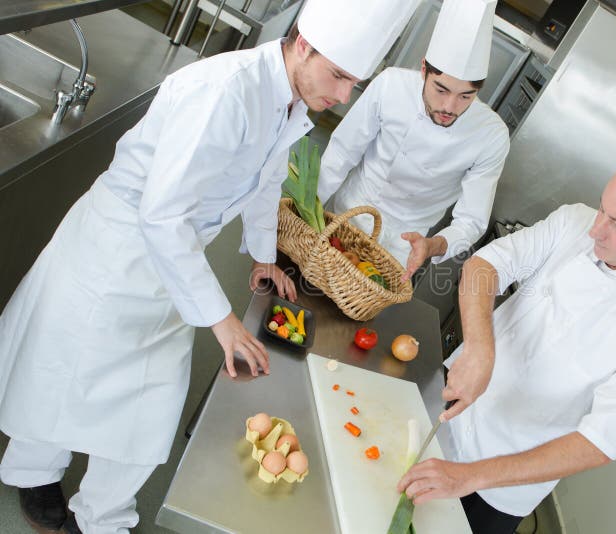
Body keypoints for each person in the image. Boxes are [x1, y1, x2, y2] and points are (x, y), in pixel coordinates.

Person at [0, 1, 416, 532]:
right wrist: (221, 320)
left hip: (175, 264)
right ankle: (32, 470)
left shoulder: (287, 100)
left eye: (353, 82)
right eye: (338, 76)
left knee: (149, 402)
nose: (342, 96)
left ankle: (101, 518)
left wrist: (265, 255)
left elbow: (266, 183)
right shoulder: (226, 92)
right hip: (118, 251)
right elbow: (162, 213)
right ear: (304, 45)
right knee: (67, 370)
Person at [398, 152, 616, 533]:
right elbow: (484, 266)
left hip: (496, 483)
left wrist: (467, 477)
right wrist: (479, 347)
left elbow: (598, 442)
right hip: (445, 407)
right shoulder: (574, 221)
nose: (597, 230)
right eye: (603, 210)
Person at [317, 0, 510, 281]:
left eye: (465, 96)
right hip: (351, 213)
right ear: (423, 70)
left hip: (404, 245)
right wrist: (307, 211)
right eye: (441, 89)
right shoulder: (391, 85)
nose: (450, 107)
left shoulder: (491, 135)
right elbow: (342, 152)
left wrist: (433, 245)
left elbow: (471, 220)